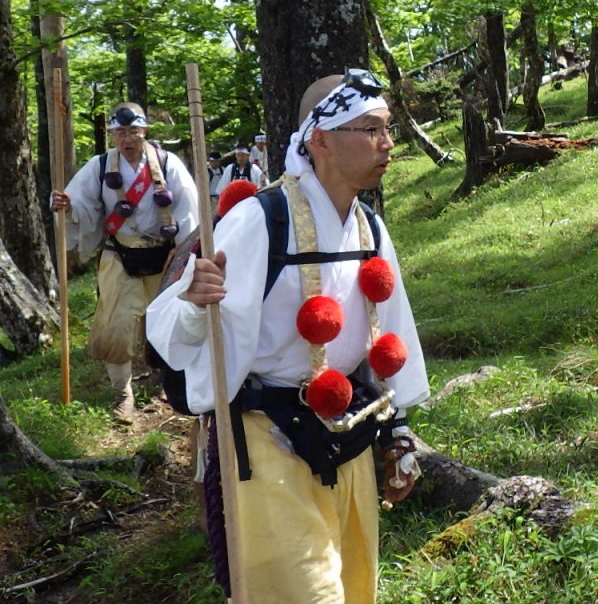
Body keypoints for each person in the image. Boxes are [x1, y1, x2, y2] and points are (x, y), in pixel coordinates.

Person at [146, 70, 429, 604]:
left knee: (356, 588)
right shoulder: (261, 219)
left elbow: (391, 333)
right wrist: (194, 301)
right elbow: (168, 327)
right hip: (268, 438)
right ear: (320, 140)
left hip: (348, 432)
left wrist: (398, 432)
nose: (388, 143)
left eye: (387, 128)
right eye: (371, 129)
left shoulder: (369, 227)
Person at [51, 102, 199, 422]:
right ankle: (123, 393)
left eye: (133, 131)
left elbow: (188, 208)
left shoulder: (167, 163)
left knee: (168, 321)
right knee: (115, 325)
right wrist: (67, 205)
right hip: (120, 253)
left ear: (144, 131)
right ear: (111, 135)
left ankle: (168, 384)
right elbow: (79, 202)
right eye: (120, 133)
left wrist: (183, 250)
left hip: (164, 254)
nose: (127, 139)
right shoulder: (101, 166)